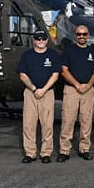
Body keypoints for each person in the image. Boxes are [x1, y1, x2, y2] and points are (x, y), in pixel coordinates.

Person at [58, 25, 94, 162]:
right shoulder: (69, 50)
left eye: (84, 34)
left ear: (88, 35)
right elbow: (64, 70)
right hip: (72, 90)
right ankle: (64, 150)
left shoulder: (93, 52)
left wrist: (88, 85)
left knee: (86, 120)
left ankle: (84, 149)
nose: (81, 37)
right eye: (79, 34)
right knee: (68, 120)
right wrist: (77, 85)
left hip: (88, 90)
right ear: (75, 35)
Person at [18, 29, 60, 164]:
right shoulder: (27, 55)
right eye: (38, 39)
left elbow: (55, 75)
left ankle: (46, 153)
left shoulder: (53, 55)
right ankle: (30, 153)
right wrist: (34, 89)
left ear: (47, 40)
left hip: (47, 93)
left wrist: (43, 90)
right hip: (30, 93)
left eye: (43, 39)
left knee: (47, 124)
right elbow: (22, 75)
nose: (40, 41)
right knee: (29, 124)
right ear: (33, 40)